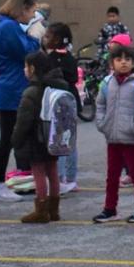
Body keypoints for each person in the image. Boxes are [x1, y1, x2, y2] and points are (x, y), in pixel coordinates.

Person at [9, 49, 76, 224]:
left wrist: (16, 139)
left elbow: (24, 120)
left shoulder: (31, 91)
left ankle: (41, 209)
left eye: (25, 66)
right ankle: (54, 209)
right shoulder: (57, 85)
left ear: (32, 68)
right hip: (53, 135)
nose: (24, 70)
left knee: (38, 171)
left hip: (36, 137)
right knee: (52, 170)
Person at [91, 43, 134, 223]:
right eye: (119, 59)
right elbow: (100, 104)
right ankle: (110, 209)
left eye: (127, 59)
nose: (123, 63)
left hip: (133, 137)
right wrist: (102, 123)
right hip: (112, 137)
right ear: (112, 63)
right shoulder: (107, 83)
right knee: (112, 176)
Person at [0, 0, 40, 201]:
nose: (33, 16)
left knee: (12, 138)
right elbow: (27, 53)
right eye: (32, 11)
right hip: (11, 89)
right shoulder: (8, 27)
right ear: (23, 8)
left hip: (10, 87)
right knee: (9, 138)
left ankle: (11, 182)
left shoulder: (6, 26)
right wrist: (35, 37)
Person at [42, 22, 80, 192]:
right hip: (71, 101)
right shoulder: (70, 58)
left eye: (48, 36)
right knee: (70, 141)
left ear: (57, 40)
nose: (44, 38)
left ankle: (61, 178)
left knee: (59, 142)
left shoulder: (51, 60)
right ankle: (71, 178)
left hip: (59, 104)